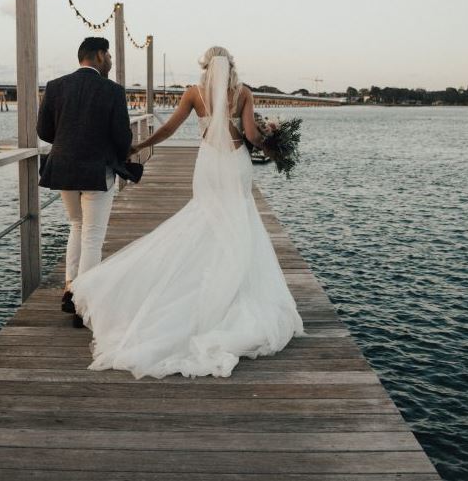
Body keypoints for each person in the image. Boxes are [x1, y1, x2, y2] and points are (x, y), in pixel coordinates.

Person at [70, 46, 304, 378]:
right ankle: (231, 286)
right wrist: (274, 144)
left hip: (208, 163)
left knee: (206, 217)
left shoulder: (194, 94)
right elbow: (251, 135)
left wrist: (139, 145)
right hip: (236, 164)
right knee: (239, 219)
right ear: (232, 66)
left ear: (206, 67)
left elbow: (170, 129)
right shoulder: (244, 94)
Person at [37, 37, 132, 328]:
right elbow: (122, 136)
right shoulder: (112, 90)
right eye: (109, 56)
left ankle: (70, 287)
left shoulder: (55, 86)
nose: (111, 61)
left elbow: (44, 130)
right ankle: (84, 301)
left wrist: (69, 142)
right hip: (96, 170)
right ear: (99, 55)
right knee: (92, 234)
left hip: (64, 167)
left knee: (76, 226)